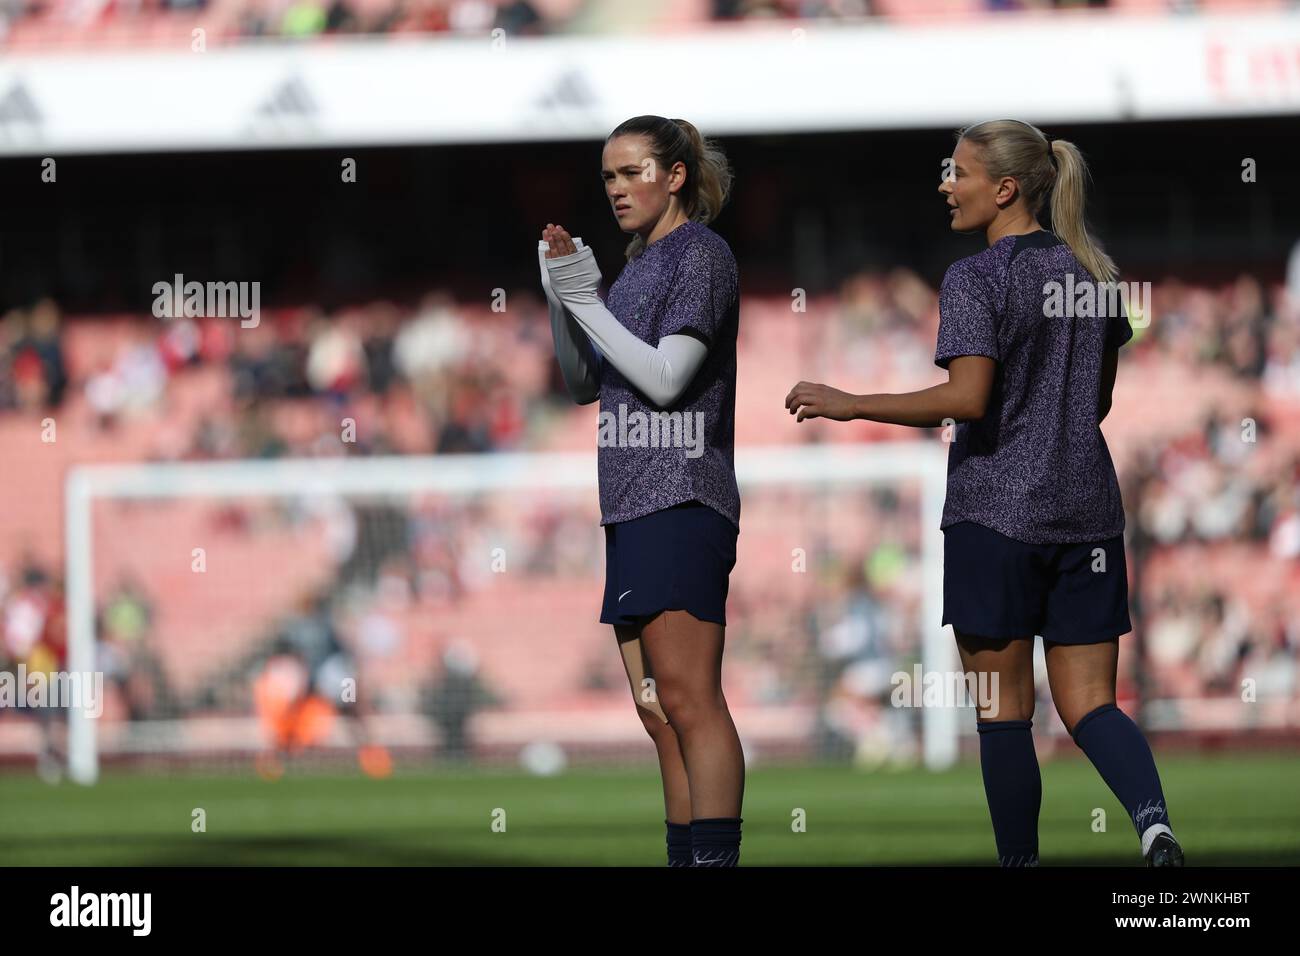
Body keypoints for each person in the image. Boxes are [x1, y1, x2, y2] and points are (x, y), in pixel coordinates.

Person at [785, 119, 1183, 867]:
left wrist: (852, 402)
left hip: (995, 515)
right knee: (1093, 704)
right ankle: (1154, 824)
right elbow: (1093, 404)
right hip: (1087, 514)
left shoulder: (975, 277)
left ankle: (1020, 865)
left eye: (957, 172)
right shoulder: (1094, 277)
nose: (946, 184)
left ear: (1003, 189)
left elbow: (967, 399)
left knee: (1003, 717)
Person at [539, 115, 745, 866]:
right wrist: (564, 301)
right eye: (608, 177)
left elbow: (666, 380)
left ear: (675, 175)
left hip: (681, 493)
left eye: (632, 172)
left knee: (691, 701)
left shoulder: (702, 255)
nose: (617, 189)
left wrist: (588, 302)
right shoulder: (634, 269)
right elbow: (582, 383)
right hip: (629, 502)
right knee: (657, 711)